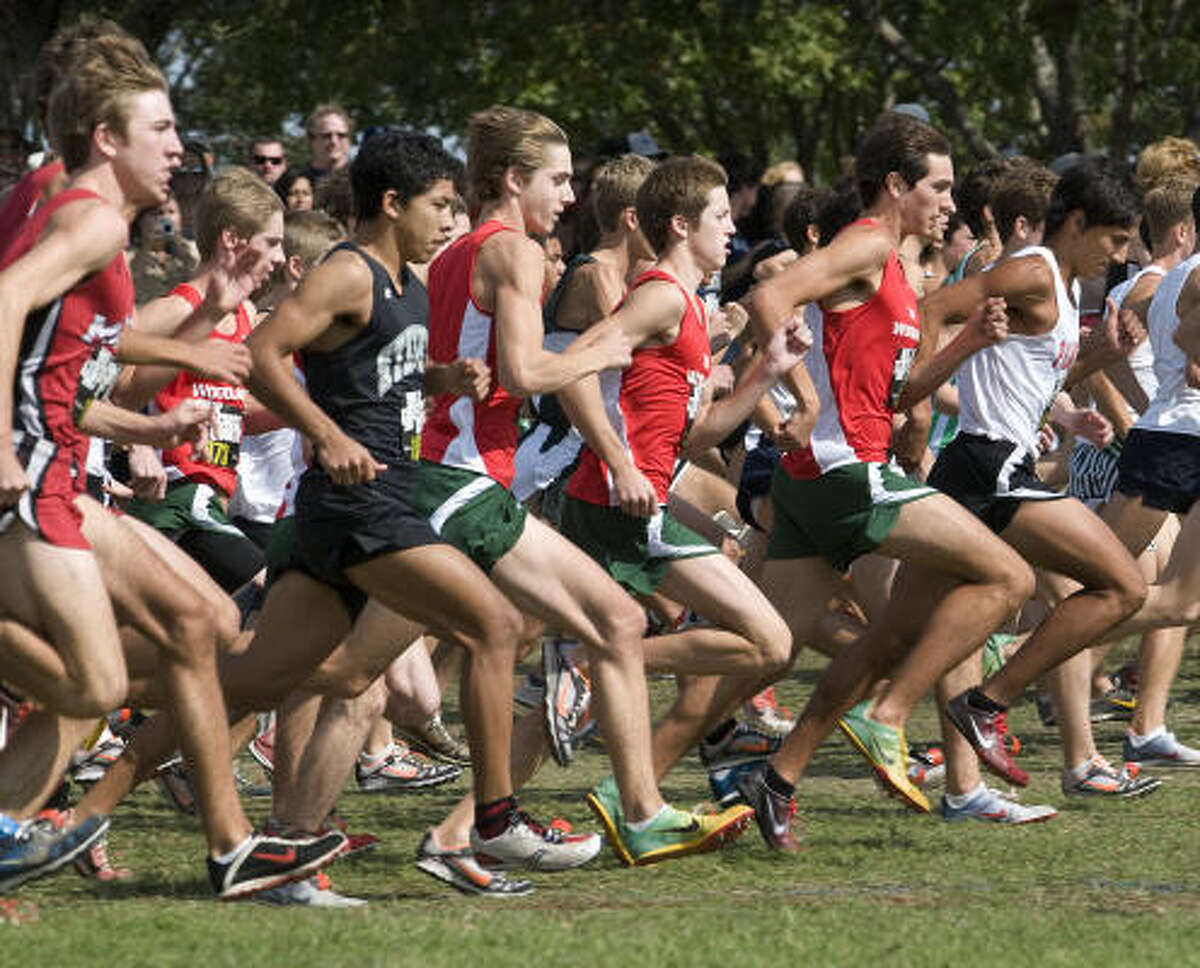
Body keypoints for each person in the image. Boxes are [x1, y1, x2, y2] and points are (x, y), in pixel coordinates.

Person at [0, 32, 344, 897]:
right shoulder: (84, 215)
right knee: (94, 682)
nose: (179, 148)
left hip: (66, 469)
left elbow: (72, 372)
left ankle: (230, 845)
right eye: (160, 128)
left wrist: (145, 430)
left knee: (201, 625)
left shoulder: (65, 204)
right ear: (105, 136)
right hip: (35, 477)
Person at [415, 105, 753, 869]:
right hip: (472, 478)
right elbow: (527, 375)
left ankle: (487, 829)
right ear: (512, 180)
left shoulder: (454, 253)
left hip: (453, 473)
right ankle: (495, 826)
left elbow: (482, 370)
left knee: (348, 670)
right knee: (565, 630)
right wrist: (606, 354)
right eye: (558, 179)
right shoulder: (517, 253)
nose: (569, 195)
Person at [734, 111, 1034, 850]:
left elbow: (895, 396)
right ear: (896, 185)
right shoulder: (867, 242)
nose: (949, 203)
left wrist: (967, 342)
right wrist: (797, 401)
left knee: (809, 644)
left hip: (826, 475)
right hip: (845, 472)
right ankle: (891, 714)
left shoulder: (895, 266)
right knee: (1009, 576)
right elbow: (768, 299)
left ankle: (767, 783)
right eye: (938, 187)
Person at [300, 104, 353, 185]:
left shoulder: (363, 179)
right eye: (327, 136)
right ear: (312, 139)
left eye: (341, 135)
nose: (334, 141)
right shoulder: (296, 181)